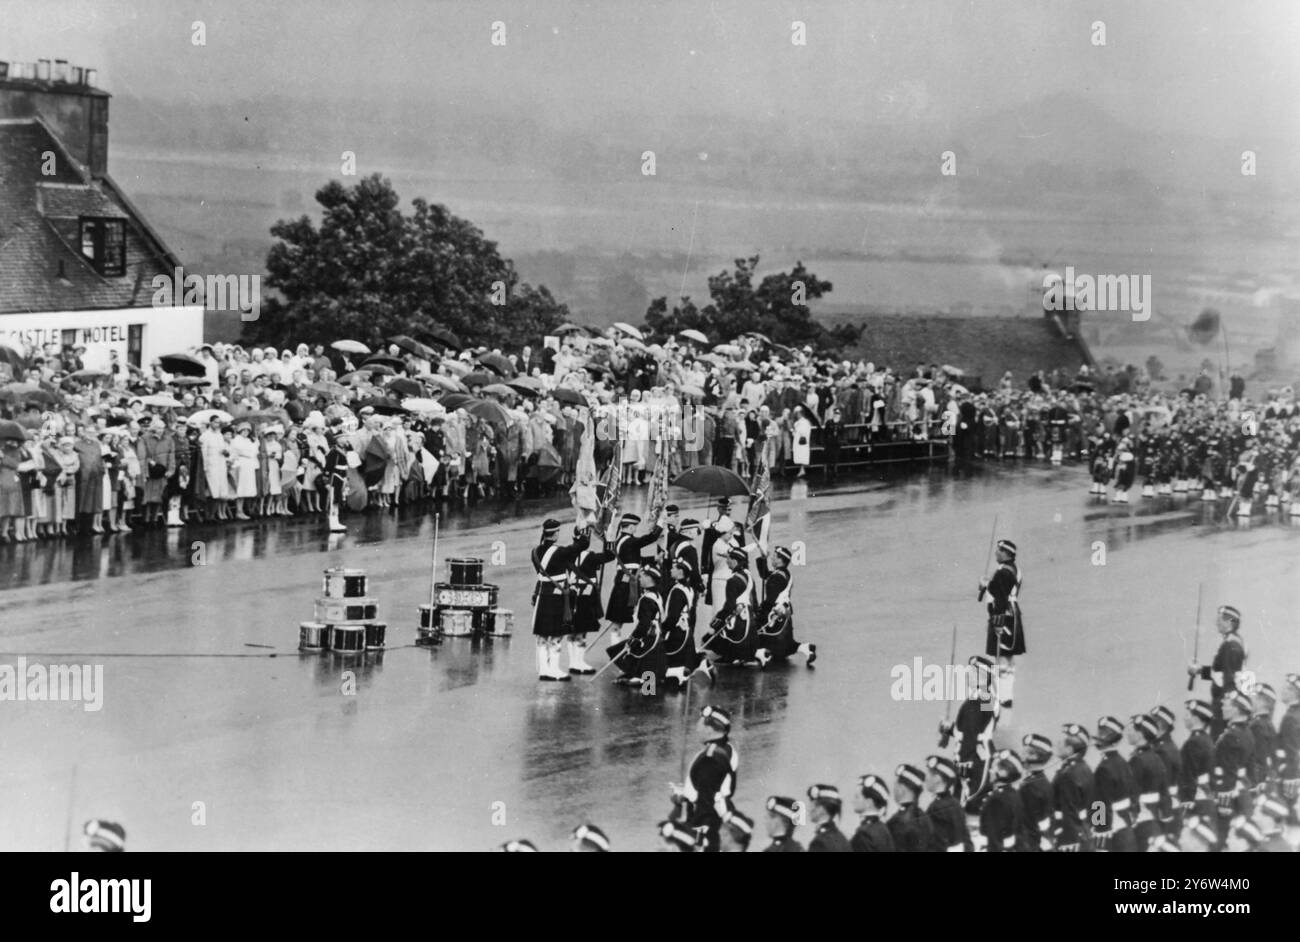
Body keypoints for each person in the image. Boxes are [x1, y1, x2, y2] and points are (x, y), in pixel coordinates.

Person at [670, 705, 739, 852]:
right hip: (720, 819)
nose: (696, 727)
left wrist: (697, 841)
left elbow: (706, 805)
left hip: (706, 825)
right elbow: (713, 788)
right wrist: (687, 792)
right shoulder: (728, 749)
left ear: (710, 729)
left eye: (700, 722)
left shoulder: (710, 760)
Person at [530, 519, 587, 681]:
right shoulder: (561, 552)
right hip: (556, 597)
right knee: (556, 635)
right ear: (555, 533)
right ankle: (554, 669)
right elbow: (583, 544)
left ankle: (543, 670)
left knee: (542, 636)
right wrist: (582, 527)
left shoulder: (535, 552)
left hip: (542, 596)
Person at [938, 655, 1001, 802]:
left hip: (974, 759)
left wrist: (964, 763)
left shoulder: (978, 702)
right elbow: (971, 730)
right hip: (978, 754)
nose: (968, 675)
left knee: (968, 801)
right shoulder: (986, 698)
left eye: (973, 673)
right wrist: (950, 729)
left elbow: (971, 733)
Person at [602, 511, 664, 645]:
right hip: (628, 582)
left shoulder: (621, 541)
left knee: (619, 618)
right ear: (630, 527)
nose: (635, 529)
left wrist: (654, 558)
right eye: (635, 526)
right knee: (627, 617)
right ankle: (618, 647)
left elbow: (635, 559)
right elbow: (651, 538)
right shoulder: (629, 541)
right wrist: (660, 522)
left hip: (623, 580)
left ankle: (617, 645)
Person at [1187, 604, 1248, 737]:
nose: (1216, 622)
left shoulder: (1232, 645)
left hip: (1223, 704)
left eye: (1220, 619)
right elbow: (1219, 674)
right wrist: (1199, 670)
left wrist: (1224, 704)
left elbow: (1230, 679)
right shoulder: (1231, 643)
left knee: (1217, 739)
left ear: (1230, 622)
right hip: (1221, 703)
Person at [978, 538, 1025, 708]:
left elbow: (999, 595)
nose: (996, 553)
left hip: (1003, 617)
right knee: (1007, 659)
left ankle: (1003, 699)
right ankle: (1006, 696)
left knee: (1002, 658)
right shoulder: (1014, 569)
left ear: (1006, 553)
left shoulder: (1004, 572)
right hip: (1011, 616)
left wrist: (986, 584)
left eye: (999, 551)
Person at [752, 545, 817, 668]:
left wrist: (759, 613)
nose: (772, 558)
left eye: (774, 557)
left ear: (780, 560)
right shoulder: (784, 573)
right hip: (784, 613)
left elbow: (770, 600)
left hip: (774, 615)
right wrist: (762, 558)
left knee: (763, 639)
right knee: (786, 643)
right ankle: (806, 649)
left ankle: (759, 655)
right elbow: (766, 574)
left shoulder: (776, 577)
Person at [605, 564, 666, 690]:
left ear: (650, 578)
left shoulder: (647, 599)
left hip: (648, 636)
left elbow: (644, 624)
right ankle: (641, 679)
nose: (639, 579)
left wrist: (634, 638)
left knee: (624, 651)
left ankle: (644, 683)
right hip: (655, 635)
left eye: (642, 576)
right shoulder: (657, 595)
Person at [566, 526, 612, 675]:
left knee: (572, 630)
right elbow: (610, 555)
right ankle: (578, 662)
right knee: (582, 631)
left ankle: (574, 662)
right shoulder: (590, 556)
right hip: (586, 596)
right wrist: (607, 538)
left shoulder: (566, 554)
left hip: (571, 595)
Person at [1212, 690, 1256, 841]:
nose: (1222, 708)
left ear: (1236, 709)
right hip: (1241, 789)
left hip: (1229, 793)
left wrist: (1223, 796)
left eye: (1226, 705)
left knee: (1225, 836)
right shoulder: (1247, 732)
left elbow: (1227, 768)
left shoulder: (1231, 735)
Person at [1092, 715, 1140, 852]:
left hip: (1112, 829)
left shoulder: (1103, 768)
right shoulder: (1122, 762)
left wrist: (1100, 831)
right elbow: (1133, 793)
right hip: (1126, 823)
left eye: (1101, 733)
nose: (1097, 736)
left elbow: (1100, 803)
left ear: (1108, 737)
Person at [704, 547, 757, 666]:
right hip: (748, 616)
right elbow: (754, 600)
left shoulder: (732, 581)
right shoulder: (749, 576)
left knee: (722, 626)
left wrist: (716, 621)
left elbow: (729, 606)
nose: (727, 561)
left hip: (738, 619)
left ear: (735, 561)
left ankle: (730, 656)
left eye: (729, 559)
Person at [1126, 714, 1171, 851]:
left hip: (1142, 820)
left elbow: (1132, 792)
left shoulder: (1137, 760)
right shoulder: (1155, 757)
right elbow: (1164, 792)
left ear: (1141, 734)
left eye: (1131, 730)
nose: (1128, 733)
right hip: (1155, 818)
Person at [1052, 723, 1096, 852]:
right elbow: (1099, 805)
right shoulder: (1085, 768)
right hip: (1085, 837)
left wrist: (1067, 843)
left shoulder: (1068, 774)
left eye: (1060, 743)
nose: (1056, 745)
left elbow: (1068, 812)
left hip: (1071, 842)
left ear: (1069, 750)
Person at [1179, 699, 1219, 827]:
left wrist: (1187, 799)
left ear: (1196, 718)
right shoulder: (1206, 739)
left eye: (1188, 715)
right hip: (1207, 797)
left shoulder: (1193, 742)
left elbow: (1189, 773)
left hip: (1197, 799)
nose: (1184, 718)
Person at [980, 749, 1030, 852]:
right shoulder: (1012, 794)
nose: (990, 770)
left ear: (1004, 772)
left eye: (994, 767)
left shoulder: (997, 800)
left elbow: (995, 838)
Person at [924, 755, 971, 852]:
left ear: (937, 779)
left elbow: (936, 846)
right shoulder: (955, 803)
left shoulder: (936, 808)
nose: (926, 778)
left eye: (928, 774)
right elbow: (967, 841)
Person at [1019, 733, 1056, 851]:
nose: (1021, 756)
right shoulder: (1041, 781)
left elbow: (1027, 823)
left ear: (1035, 757)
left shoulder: (1030, 787)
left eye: (1026, 753)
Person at [888, 764, 934, 852]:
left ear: (902, 789)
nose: (894, 788)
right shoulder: (923, 817)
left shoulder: (899, 822)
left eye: (896, 784)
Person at [850, 775, 895, 852]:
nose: (852, 800)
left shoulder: (864, 834)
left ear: (868, 803)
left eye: (857, 797)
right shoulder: (882, 828)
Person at [805, 785, 852, 852]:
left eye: (812, 804)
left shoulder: (819, 843)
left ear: (821, 809)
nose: (809, 809)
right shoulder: (842, 839)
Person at [1280, 674, 1300, 821]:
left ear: (1295, 692)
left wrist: (1291, 776)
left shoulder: (1290, 717)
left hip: (1291, 772)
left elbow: (1292, 749)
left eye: (1287, 688)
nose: (1283, 690)